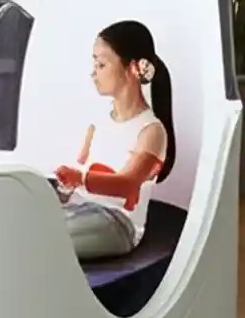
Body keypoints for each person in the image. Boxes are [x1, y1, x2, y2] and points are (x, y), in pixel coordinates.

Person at [54, 21, 176, 261]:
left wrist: (80, 179)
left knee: (44, 239)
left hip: (117, 222)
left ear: (132, 68)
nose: (93, 72)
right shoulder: (95, 122)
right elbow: (79, 169)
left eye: (101, 64)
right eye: (93, 64)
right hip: (81, 208)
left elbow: (127, 184)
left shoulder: (151, 131)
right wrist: (64, 187)